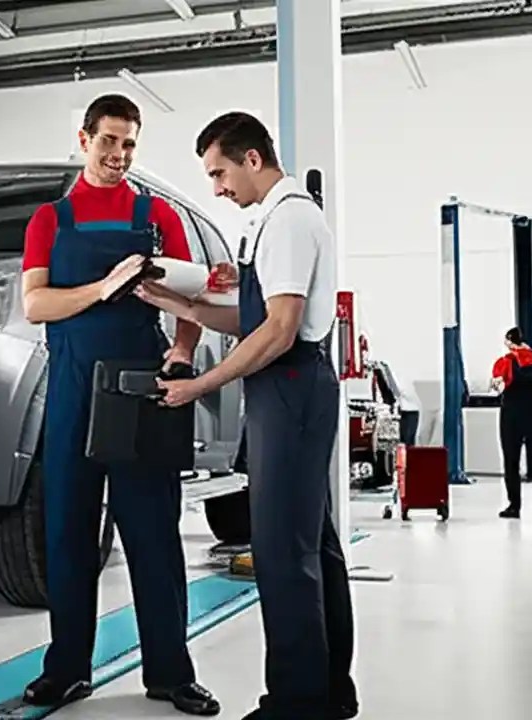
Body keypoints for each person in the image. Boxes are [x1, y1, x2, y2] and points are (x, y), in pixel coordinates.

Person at [137, 111, 358, 720]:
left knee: (284, 556)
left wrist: (200, 385)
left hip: (290, 386)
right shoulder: (274, 220)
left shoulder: (288, 220)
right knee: (313, 546)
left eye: (220, 173)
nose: (217, 188)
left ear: (251, 159)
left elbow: (280, 331)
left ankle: (295, 703)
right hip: (290, 388)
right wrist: (173, 300)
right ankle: (330, 694)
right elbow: (252, 319)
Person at [19, 93, 220, 717]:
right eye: (109, 141)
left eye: (129, 143)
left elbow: (190, 302)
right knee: (69, 535)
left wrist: (182, 352)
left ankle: (170, 672)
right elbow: (36, 305)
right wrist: (104, 288)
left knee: (153, 534)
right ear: (84, 140)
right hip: (75, 390)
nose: (119, 154)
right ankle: (67, 669)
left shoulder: (158, 213)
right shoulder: (49, 219)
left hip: (141, 388)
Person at [490, 326, 532, 521]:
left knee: (511, 460)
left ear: (510, 341)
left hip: (511, 414)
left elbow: (497, 386)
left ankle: (514, 506)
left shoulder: (504, 362)